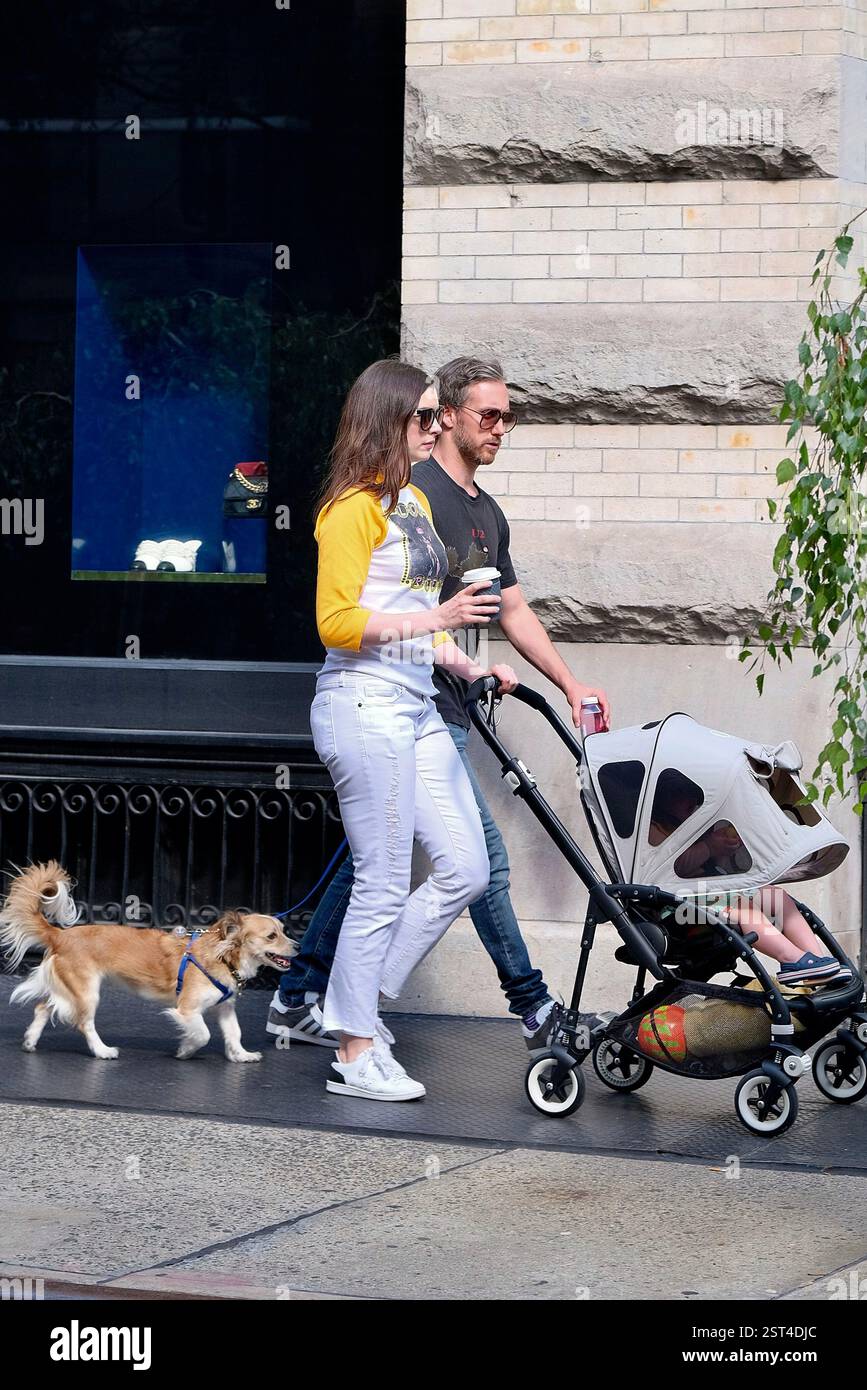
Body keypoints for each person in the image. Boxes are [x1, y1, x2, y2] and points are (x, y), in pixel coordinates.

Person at [269, 356, 611, 1054]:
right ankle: (490, 1008)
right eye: (484, 415)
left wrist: (510, 671)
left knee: (436, 866)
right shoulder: (372, 501)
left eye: (508, 416)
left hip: (429, 698)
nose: (500, 428)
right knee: (400, 870)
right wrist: (442, 628)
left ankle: (327, 998)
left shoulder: (442, 509)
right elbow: (345, 621)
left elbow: (475, 609)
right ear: (420, 418)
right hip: (375, 700)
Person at [302, 358, 519, 1102]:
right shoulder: (350, 509)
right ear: (388, 420)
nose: (436, 427)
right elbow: (336, 624)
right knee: (384, 880)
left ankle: (355, 1006)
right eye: (424, 416)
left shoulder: (410, 506)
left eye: (437, 416)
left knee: (466, 868)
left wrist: (463, 665)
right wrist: (440, 619)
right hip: (361, 702)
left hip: (415, 701)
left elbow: (412, 610)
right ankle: (354, 1050)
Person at [649, 784, 851, 985]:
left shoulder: (693, 827)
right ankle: (791, 959)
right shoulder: (654, 828)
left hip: (710, 893)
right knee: (741, 905)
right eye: (684, 794)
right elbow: (676, 867)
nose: (693, 802)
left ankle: (818, 964)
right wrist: (710, 846)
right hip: (675, 908)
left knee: (777, 897)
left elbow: (715, 869)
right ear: (664, 799)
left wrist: (724, 851)